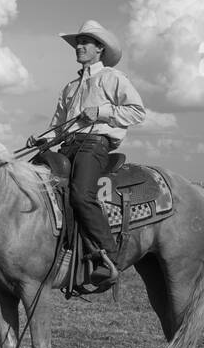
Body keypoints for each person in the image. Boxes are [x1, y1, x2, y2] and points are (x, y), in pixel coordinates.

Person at [27, 19, 145, 286]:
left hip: (94, 144)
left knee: (81, 195)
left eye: (84, 42)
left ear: (99, 49)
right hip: (67, 146)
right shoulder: (69, 88)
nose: (78, 47)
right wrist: (41, 139)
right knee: (34, 182)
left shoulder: (113, 78)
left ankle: (109, 257)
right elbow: (57, 128)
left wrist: (102, 112)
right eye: (77, 43)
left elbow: (138, 112)